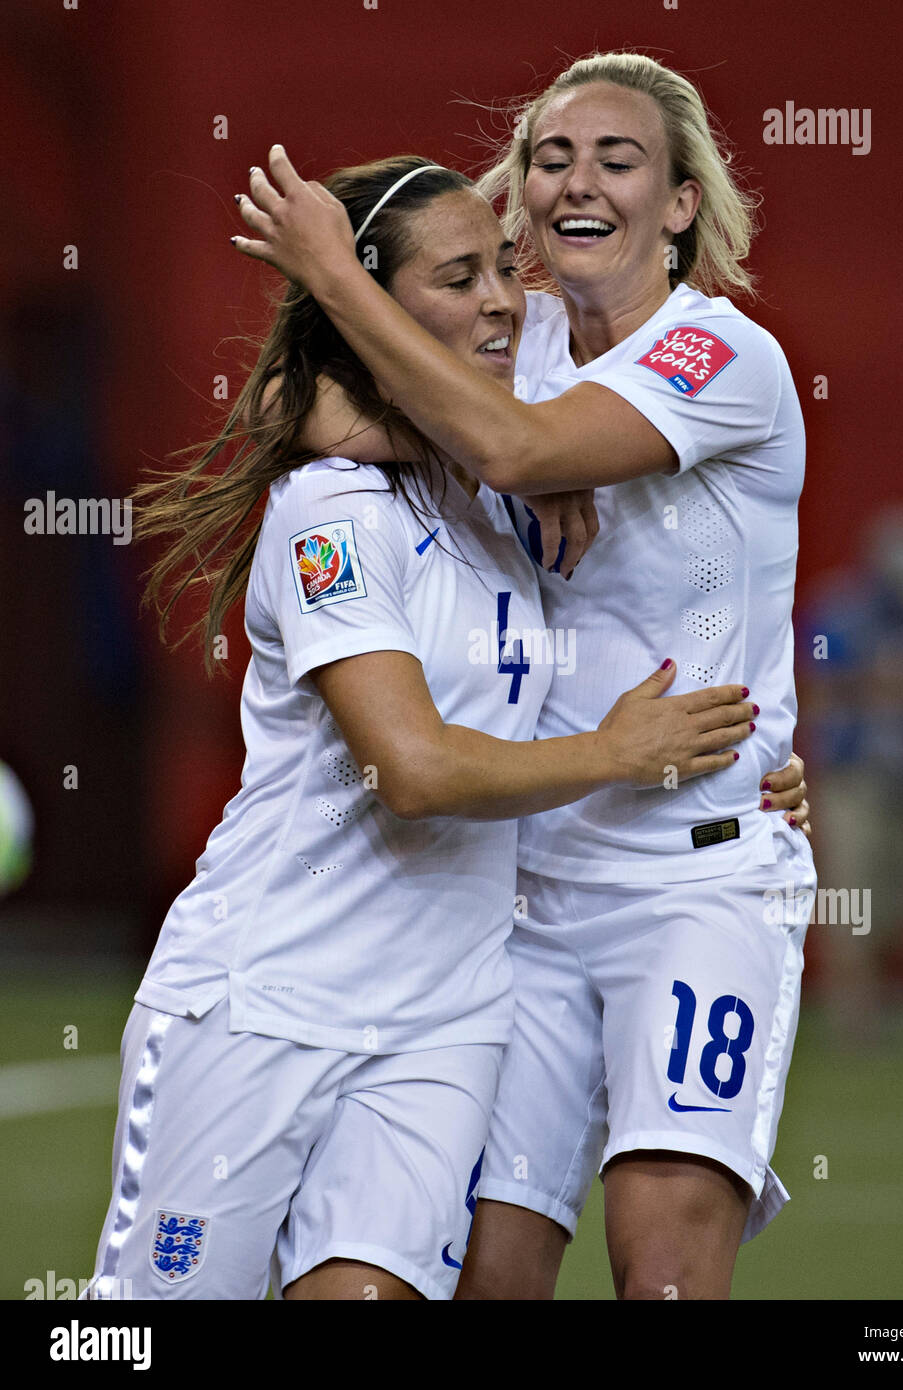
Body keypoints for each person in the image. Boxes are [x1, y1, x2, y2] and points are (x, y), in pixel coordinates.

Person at [84, 155, 768, 1303]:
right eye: (458, 278)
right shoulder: (331, 511)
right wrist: (620, 751)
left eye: (503, 265)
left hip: (444, 1020)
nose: (503, 297)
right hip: (262, 1001)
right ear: (377, 309)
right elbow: (408, 767)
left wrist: (743, 775)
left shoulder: (510, 485)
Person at [233, 49, 817, 1303]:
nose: (575, 179)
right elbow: (291, 395)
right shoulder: (514, 336)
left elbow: (508, 438)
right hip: (526, 889)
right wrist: (482, 449)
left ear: (677, 203)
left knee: (660, 1273)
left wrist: (341, 275)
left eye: (617, 157)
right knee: (492, 1278)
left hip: (696, 874)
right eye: (550, 156)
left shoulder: (722, 358)